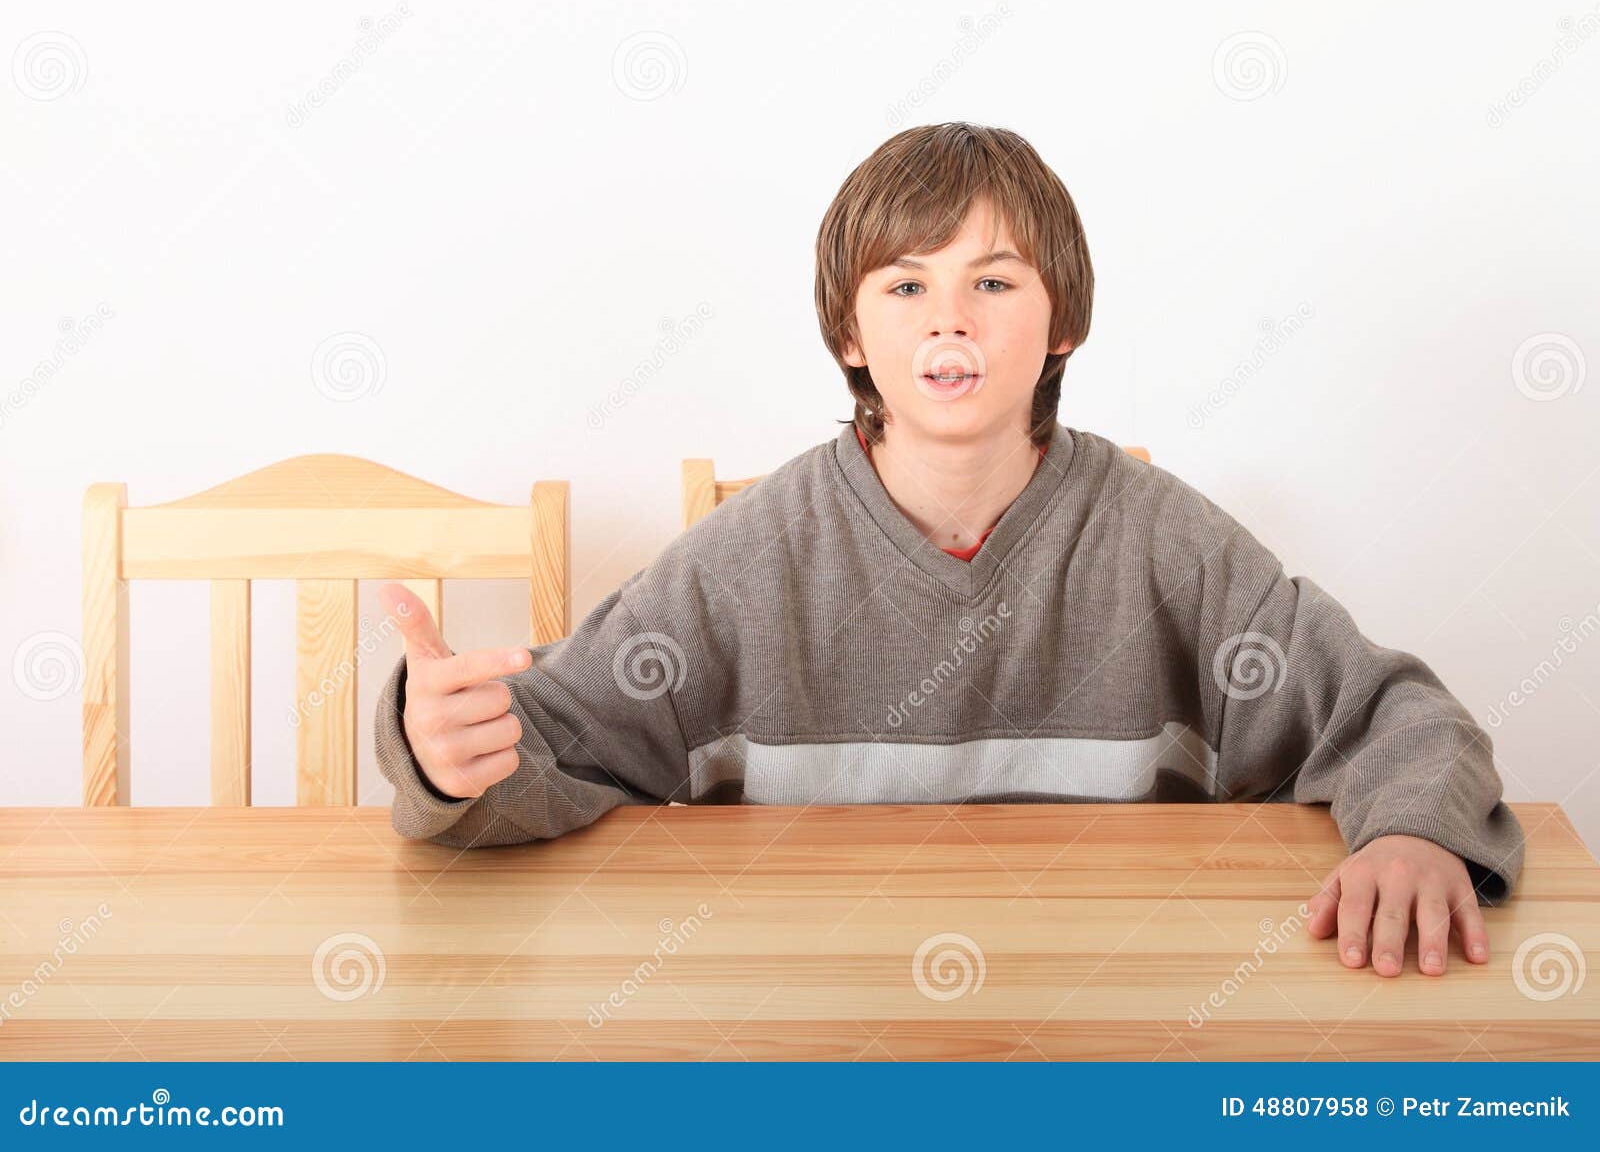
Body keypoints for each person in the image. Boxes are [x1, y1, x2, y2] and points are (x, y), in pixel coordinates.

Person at [374, 122, 1523, 980]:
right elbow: (546, 749)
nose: (949, 318)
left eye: (993, 281)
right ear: (850, 334)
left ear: (1061, 320)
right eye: (906, 283)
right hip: (807, 1040)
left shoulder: (1164, 543)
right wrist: (441, 747)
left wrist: (1413, 829)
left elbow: (1391, 717)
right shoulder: (746, 560)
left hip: (1108, 1030)